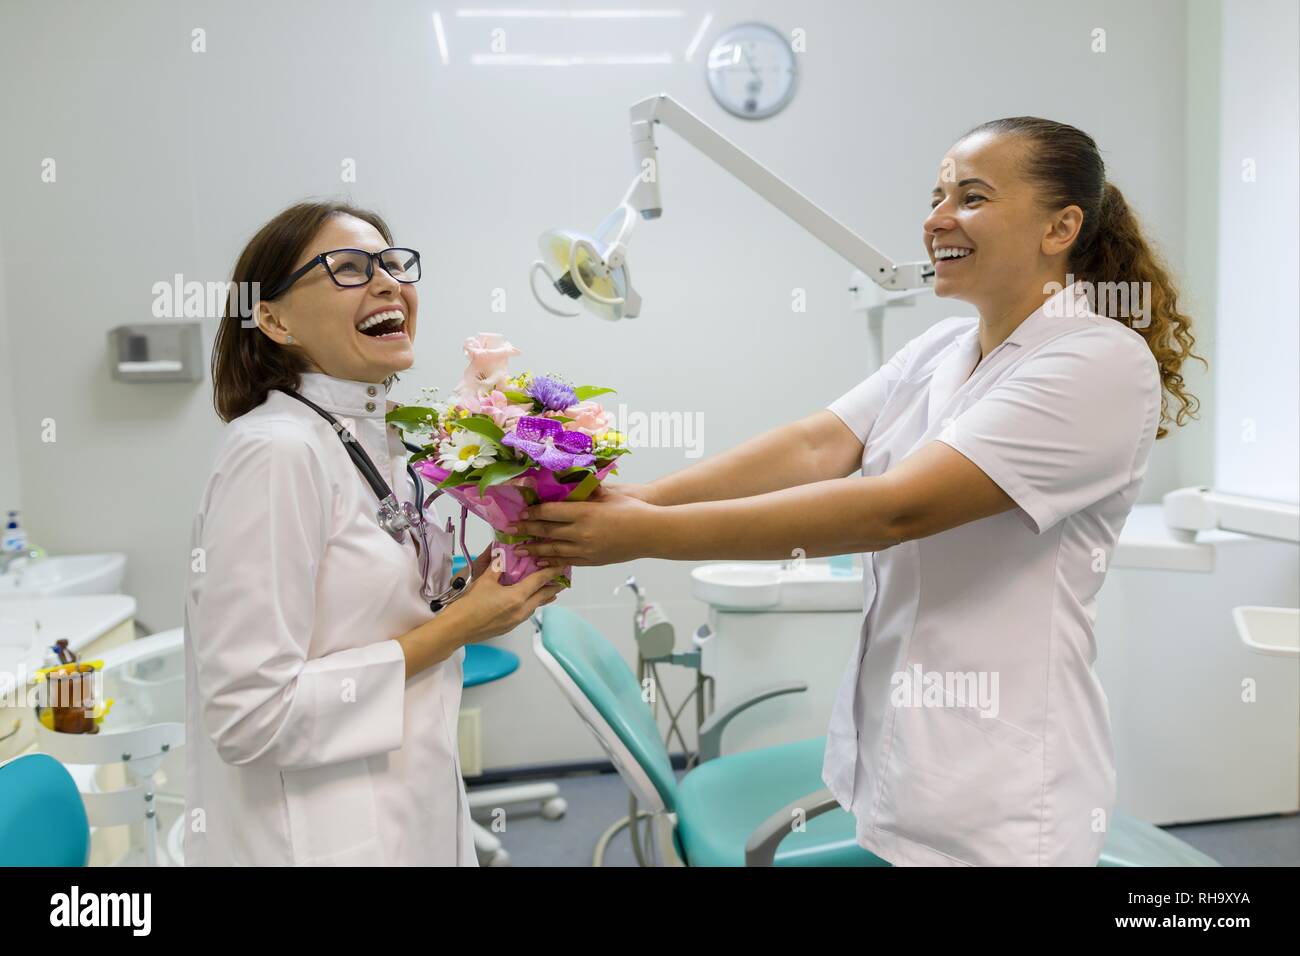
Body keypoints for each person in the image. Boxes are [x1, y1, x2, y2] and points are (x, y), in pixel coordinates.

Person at [509, 118, 1205, 866]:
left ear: (1060, 226)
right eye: (937, 194)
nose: (937, 217)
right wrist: (646, 500)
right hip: (898, 752)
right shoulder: (943, 346)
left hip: (1002, 788)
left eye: (971, 197)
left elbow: (896, 508)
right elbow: (818, 445)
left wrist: (646, 536)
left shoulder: (1096, 360)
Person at [184, 200, 564, 866]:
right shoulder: (276, 452)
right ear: (270, 317)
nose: (388, 282)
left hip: (405, 800)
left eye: (393, 264)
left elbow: (358, 611)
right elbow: (250, 717)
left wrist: (458, 592)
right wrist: (459, 627)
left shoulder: (374, 435)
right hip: (320, 835)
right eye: (349, 269)